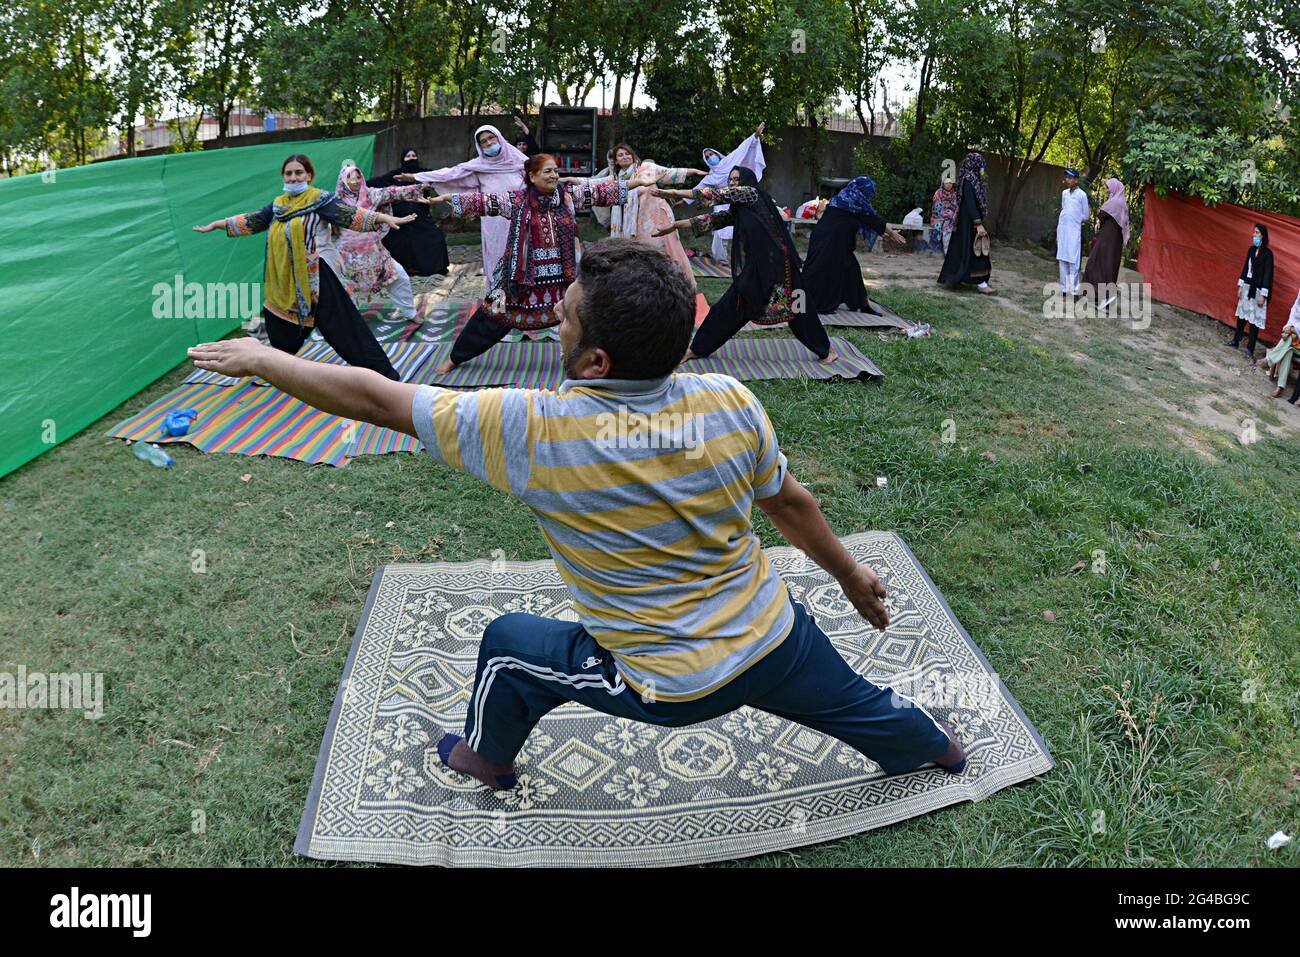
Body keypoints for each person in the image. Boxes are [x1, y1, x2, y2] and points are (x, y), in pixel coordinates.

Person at [187, 238, 968, 792]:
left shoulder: (531, 427)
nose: (554, 322)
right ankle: (932, 746)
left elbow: (372, 397)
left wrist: (265, 358)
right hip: (771, 637)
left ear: (594, 362)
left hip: (668, 686)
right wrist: (854, 573)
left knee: (506, 645)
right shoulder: (732, 399)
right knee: (851, 695)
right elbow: (792, 505)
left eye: (563, 318)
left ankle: (484, 758)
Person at [424, 153, 657, 374]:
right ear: (532, 176)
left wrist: (638, 182)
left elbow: (602, 192)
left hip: (565, 275)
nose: (554, 175)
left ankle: (605, 357)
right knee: (493, 314)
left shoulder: (567, 197)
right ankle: (455, 358)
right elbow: (483, 202)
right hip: (523, 276)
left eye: (556, 171)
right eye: (547, 171)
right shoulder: (515, 201)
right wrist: (447, 199)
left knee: (589, 313)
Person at [192, 153, 414, 380]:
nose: (293, 177)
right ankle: (276, 369)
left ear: (309, 175)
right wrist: (217, 225)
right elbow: (253, 220)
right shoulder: (278, 206)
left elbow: (350, 215)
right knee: (279, 327)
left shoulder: (320, 200)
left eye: (299, 172)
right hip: (284, 280)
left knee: (347, 331)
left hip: (318, 277)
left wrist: (383, 218)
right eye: (288, 173)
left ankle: (385, 376)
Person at [653, 166, 834, 362]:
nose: (732, 183)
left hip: (781, 265)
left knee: (799, 309)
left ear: (746, 180)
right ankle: (698, 348)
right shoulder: (739, 209)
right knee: (731, 306)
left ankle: (827, 350)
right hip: (756, 267)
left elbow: (716, 194)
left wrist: (673, 192)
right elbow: (711, 220)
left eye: (736, 179)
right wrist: (675, 226)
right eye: (730, 179)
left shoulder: (752, 193)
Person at [394, 125, 527, 297]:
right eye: (484, 142)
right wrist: (417, 177)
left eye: (491, 138)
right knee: (498, 257)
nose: (489, 143)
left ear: (499, 137)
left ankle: (524, 297)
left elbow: (539, 179)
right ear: (480, 147)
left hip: (521, 219)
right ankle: (499, 296)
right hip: (495, 222)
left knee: (523, 256)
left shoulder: (521, 163)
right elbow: (451, 175)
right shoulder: (479, 167)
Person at [578, 143, 706, 288]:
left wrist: (694, 171)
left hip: (656, 220)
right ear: (616, 161)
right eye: (620, 155)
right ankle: (645, 288)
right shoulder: (616, 179)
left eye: (627, 153)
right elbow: (594, 183)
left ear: (632, 155)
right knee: (639, 258)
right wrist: (569, 179)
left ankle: (678, 286)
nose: (625, 156)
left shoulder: (646, 169)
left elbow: (672, 173)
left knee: (662, 254)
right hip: (633, 226)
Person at [332, 162, 431, 338]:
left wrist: (420, 186)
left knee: (400, 276)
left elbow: (393, 192)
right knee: (345, 291)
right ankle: (348, 324)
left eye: (357, 177)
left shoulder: (371, 195)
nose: (355, 181)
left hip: (374, 253)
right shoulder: (335, 203)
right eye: (350, 178)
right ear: (342, 181)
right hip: (346, 258)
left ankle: (410, 312)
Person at [798, 175, 905, 317]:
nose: (868, 197)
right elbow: (874, 220)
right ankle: (806, 302)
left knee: (849, 269)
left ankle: (862, 304)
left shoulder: (844, 198)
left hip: (828, 239)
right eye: (868, 193)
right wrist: (892, 234)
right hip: (831, 241)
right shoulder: (856, 201)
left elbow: (863, 220)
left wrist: (886, 233)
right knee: (819, 271)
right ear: (862, 191)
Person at [366, 146, 451, 278]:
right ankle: (405, 269)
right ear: (403, 159)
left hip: (420, 217)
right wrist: (358, 185)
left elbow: (441, 177)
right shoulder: (396, 175)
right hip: (398, 219)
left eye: (413, 156)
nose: (411, 158)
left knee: (435, 238)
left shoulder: (424, 174)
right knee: (395, 240)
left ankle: (436, 268)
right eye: (408, 156)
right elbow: (377, 182)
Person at [695, 123, 766, 263]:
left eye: (711, 154)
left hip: (738, 199)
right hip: (721, 201)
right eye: (707, 157)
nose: (710, 157)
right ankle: (721, 259)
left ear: (716, 153)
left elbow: (742, 148)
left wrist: (756, 135)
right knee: (720, 230)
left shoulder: (730, 160)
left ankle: (745, 259)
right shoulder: (710, 176)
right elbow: (697, 189)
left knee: (741, 228)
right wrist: (682, 200)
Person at [938, 151, 995, 294]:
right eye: (981, 165)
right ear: (975, 165)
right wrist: (978, 223)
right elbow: (970, 203)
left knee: (962, 250)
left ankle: (955, 278)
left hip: (966, 222)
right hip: (969, 223)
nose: (982, 168)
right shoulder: (970, 180)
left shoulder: (971, 179)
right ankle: (981, 284)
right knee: (978, 251)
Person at [1225, 224, 1273, 359]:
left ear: (1262, 236)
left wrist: (1263, 295)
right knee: (1241, 316)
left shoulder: (1268, 254)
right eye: (1254, 232)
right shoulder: (1251, 250)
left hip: (1258, 290)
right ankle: (1236, 341)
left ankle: (1250, 349)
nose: (1254, 235)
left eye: (1257, 233)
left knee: (1254, 321)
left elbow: (1267, 274)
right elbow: (1246, 268)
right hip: (1247, 286)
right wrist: (1240, 286)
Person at [1080, 177, 1128, 300]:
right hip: (1115, 242)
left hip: (1106, 239)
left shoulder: (1114, 202)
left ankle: (1093, 293)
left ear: (1115, 189)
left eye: (1109, 188)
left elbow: (1102, 214)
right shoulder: (1123, 204)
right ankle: (1105, 296)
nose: (1108, 190)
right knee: (1110, 265)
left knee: (1096, 262)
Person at [1259, 288, 1300, 400]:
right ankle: (1280, 387)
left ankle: (1269, 360)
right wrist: (1287, 329)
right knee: (1288, 350)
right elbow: (1294, 314)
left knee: (1289, 339)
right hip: (1294, 342)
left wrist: (1291, 330)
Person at [1055, 168, 1090, 296]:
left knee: (1073, 260)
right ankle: (1064, 289)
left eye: (1070, 178)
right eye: (1067, 178)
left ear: (1076, 180)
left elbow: (1086, 215)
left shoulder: (1082, 195)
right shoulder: (1064, 193)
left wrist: (1075, 219)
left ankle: (1074, 290)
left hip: (1074, 231)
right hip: (1063, 230)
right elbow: (1064, 209)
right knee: (1062, 258)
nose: (1067, 180)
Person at [929, 176, 959, 254]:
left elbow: (956, 207)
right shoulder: (938, 193)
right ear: (943, 184)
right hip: (938, 217)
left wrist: (949, 214)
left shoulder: (954, 194)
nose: (949, 184)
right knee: (940, 226)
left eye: (950, 183)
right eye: (947, 183)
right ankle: (940, 250)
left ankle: (947, 251)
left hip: (951, 218)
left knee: (948, 227)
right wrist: (945, 213)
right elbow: (937, 207)